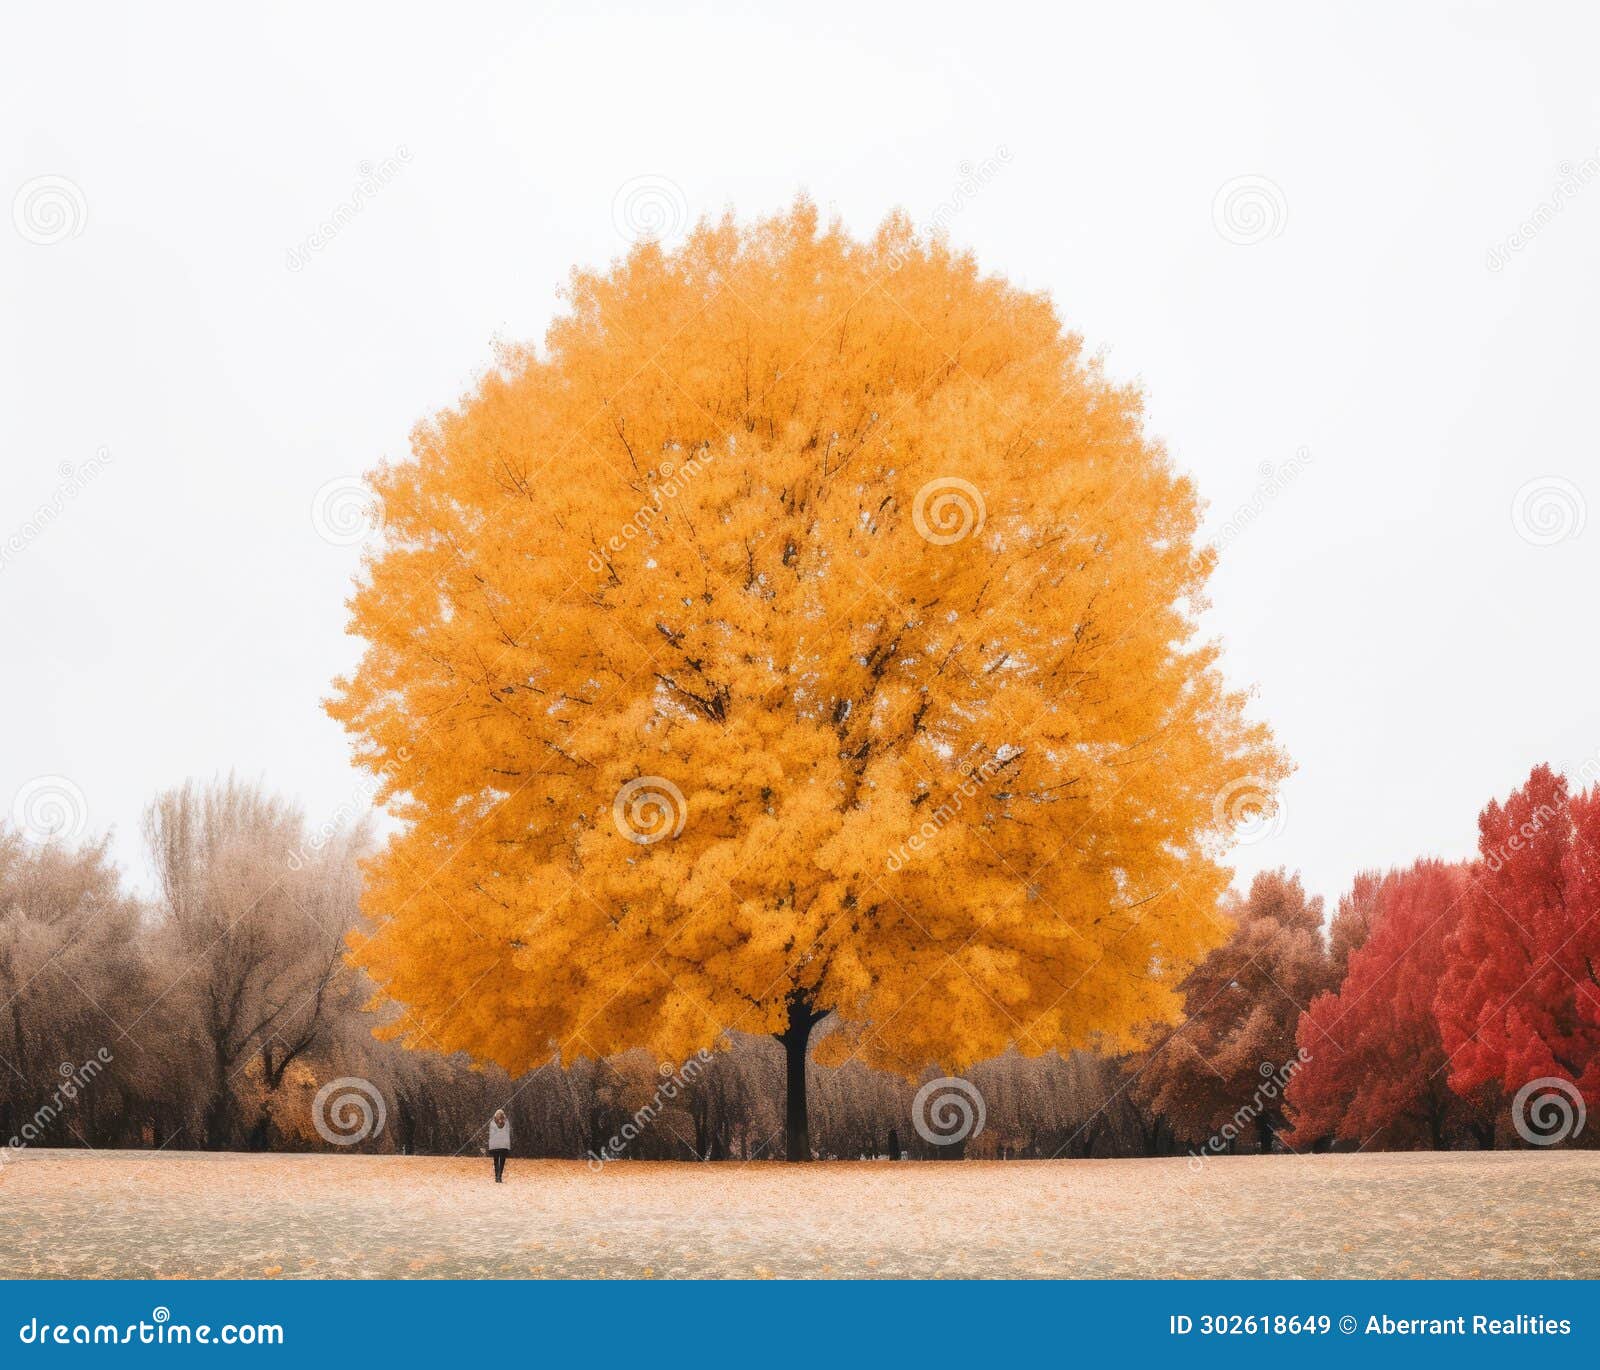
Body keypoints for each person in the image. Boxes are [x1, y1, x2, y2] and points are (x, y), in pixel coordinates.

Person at [488, 1108, 511, 1183]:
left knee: (496, 1162)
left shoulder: (492, 1123)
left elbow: (491, 1135)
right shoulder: (506, 1122)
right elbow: (507, 1134)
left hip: (495, 1145)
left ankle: (496, 1177)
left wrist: (490, 1146)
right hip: (503, 1145)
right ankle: (499, 1176)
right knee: (502, 1162)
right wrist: (508, 1145)